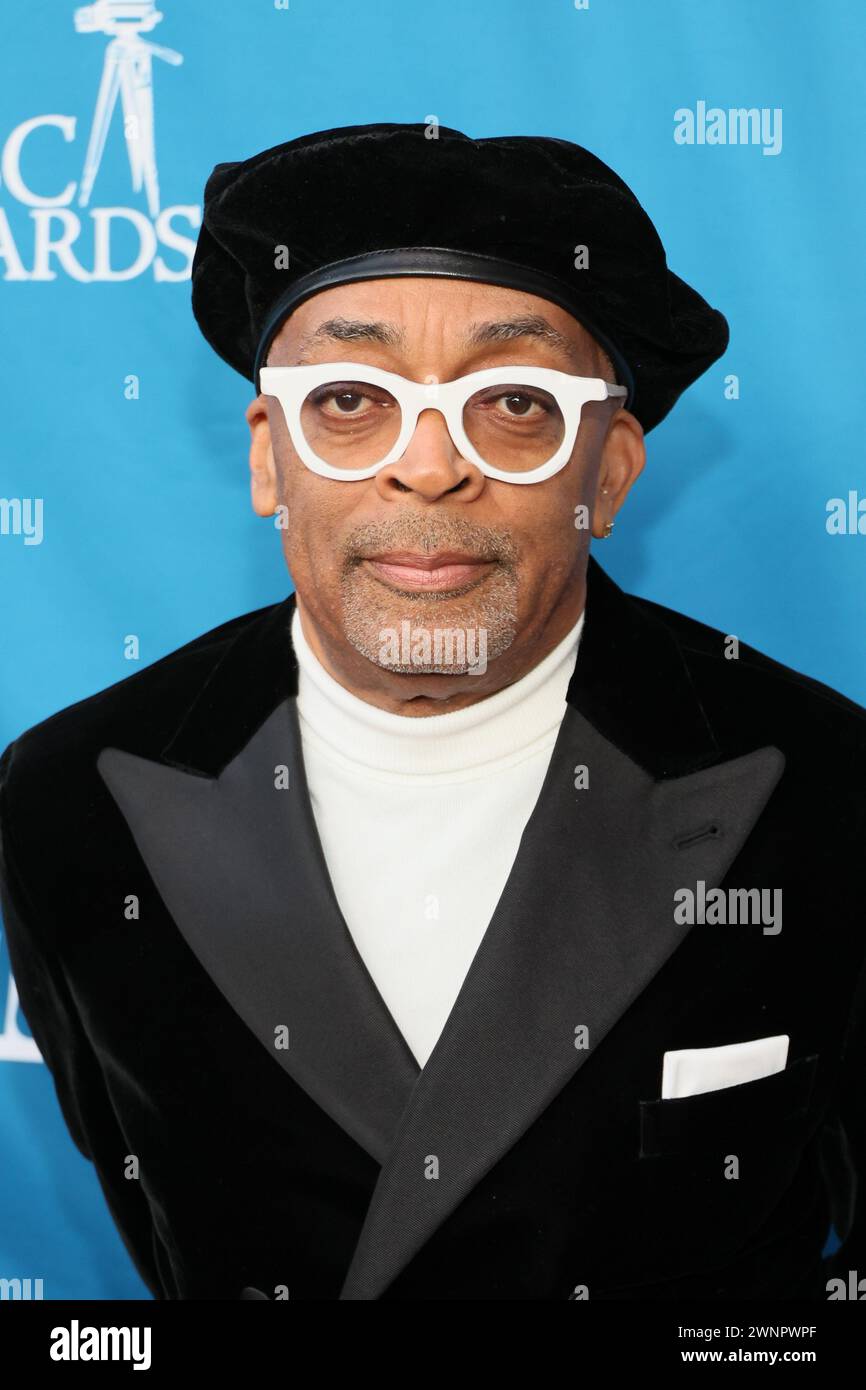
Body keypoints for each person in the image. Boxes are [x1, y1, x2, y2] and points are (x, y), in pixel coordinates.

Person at [1, 122, 864, 1301]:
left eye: (512, 405)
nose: (426, 466)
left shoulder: (827, 785)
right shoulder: (66, 797)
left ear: (606, 473)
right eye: (349, 398)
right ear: (269, 459)